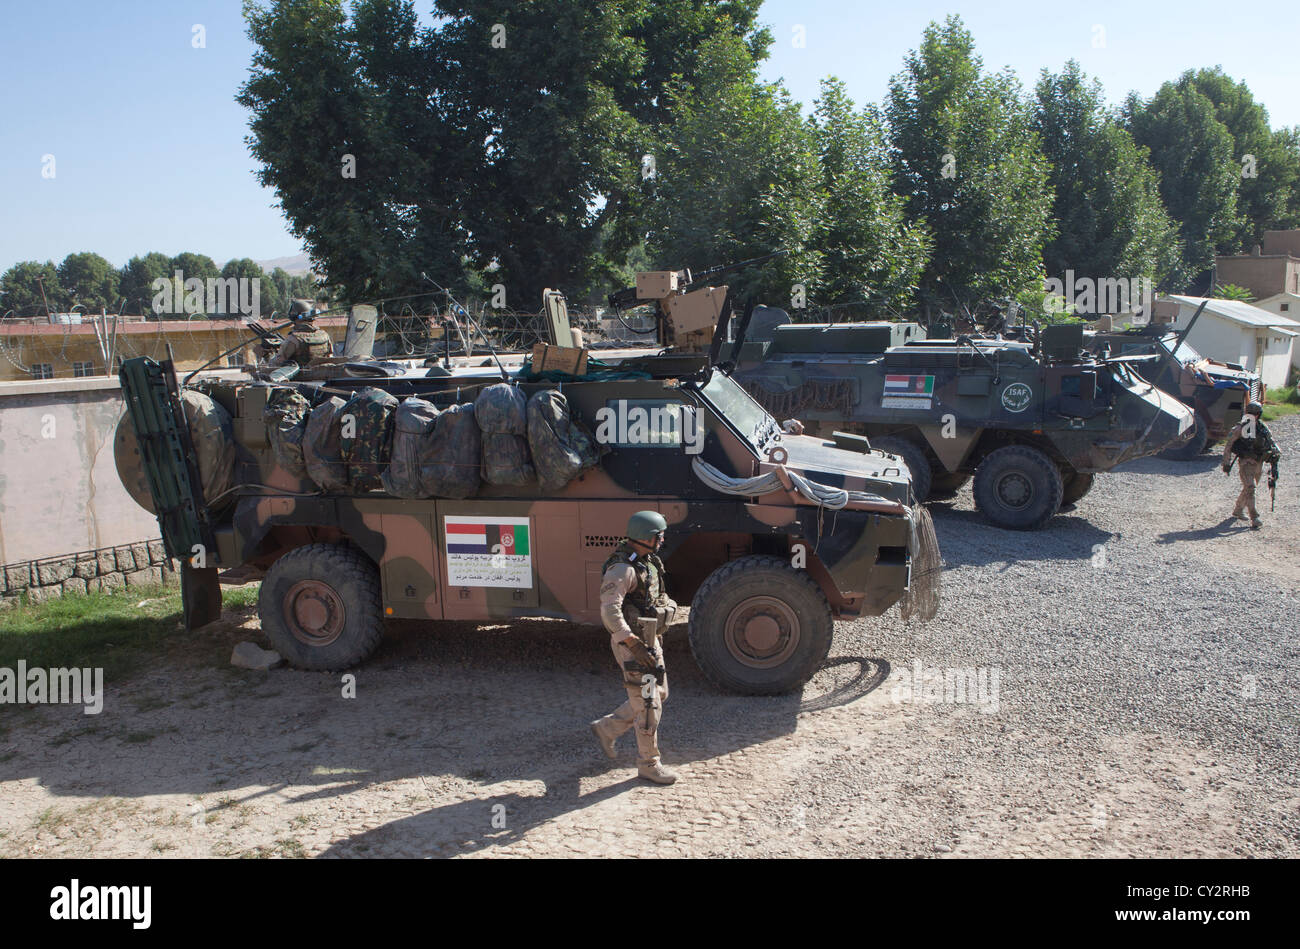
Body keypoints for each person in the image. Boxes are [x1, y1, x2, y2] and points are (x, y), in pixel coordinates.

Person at [590, 511, 679, 785]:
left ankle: (608, 728)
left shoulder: (647, 561)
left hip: (650, 638)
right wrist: (631, 642)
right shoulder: (623, 569)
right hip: (632, 644)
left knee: (659, 693)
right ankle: (648, 763)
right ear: (645, 538)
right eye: (658, 535)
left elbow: (656, 594)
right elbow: (609, 611)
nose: (662, 539)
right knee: (649, 703)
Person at [1221, 401, 1280, 529]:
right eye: (1251, 413)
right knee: (1250, 487)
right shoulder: (1240, 428)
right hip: (1246, 463)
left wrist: (1276, 453)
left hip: (1258, 463)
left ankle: (1238, 509)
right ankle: (1255, 517)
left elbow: (1272, 441)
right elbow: (1229, 445)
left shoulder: (1262, 428)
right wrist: (1226, 463)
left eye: (1255, 414)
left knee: (1248, 488)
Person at [265, 299, 332, 369]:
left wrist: (269, 356)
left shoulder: (294, 339)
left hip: (301, 377)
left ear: (293, 317)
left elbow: (276, 364)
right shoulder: (325, 335)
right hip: (322, 374)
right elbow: (330, 358)